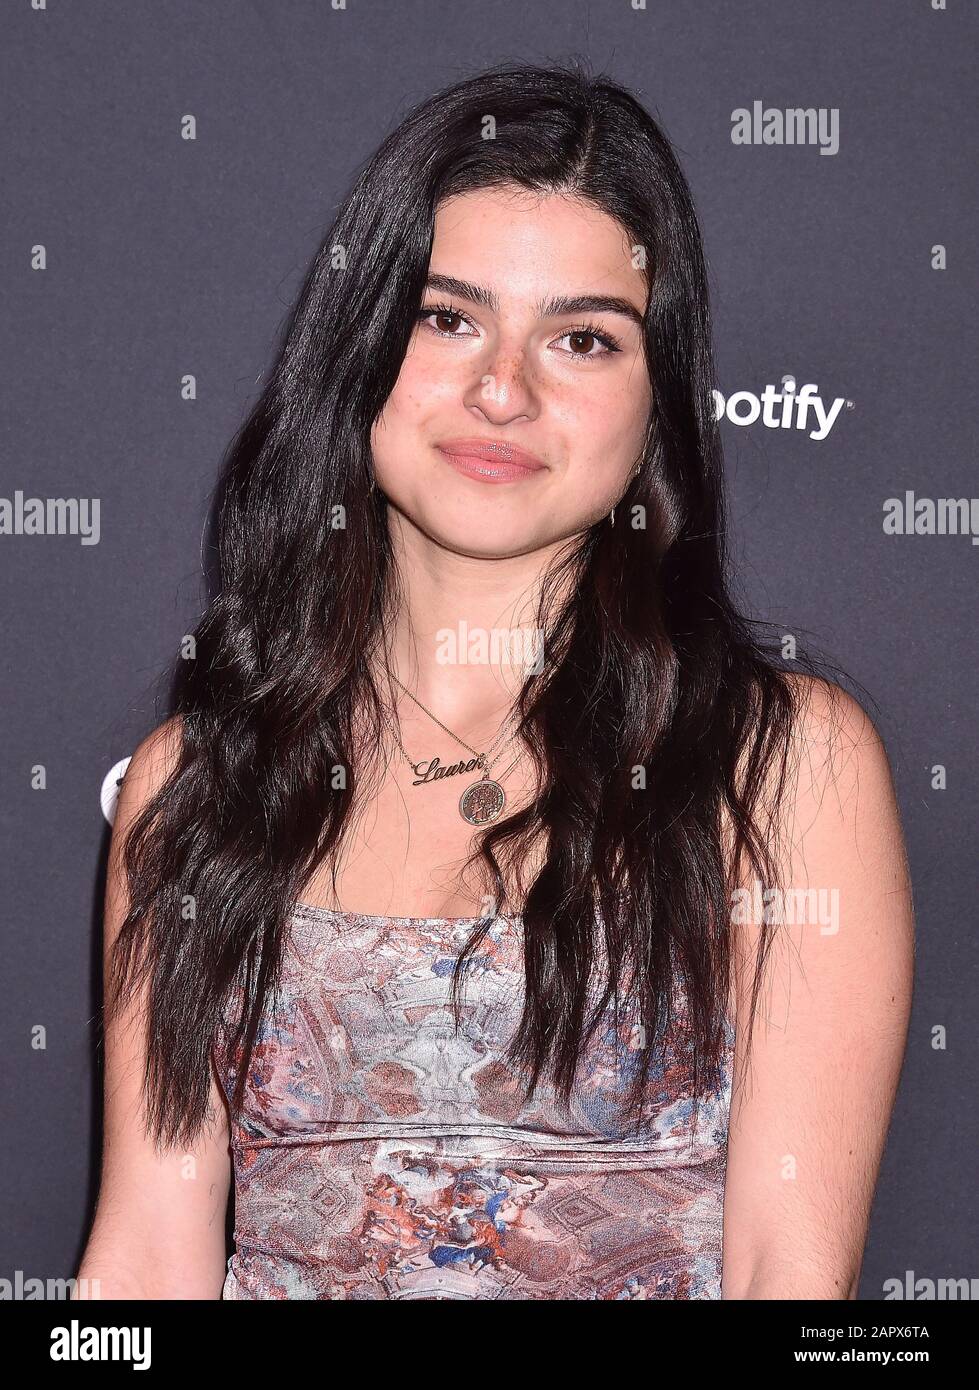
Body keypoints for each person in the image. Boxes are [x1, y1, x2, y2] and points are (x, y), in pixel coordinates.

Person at [75, 61, 914, 1301]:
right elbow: (144, 1263)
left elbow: (787, 1280)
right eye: (446, 317)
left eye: (582, 338)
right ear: (355, 353)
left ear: (654, 410)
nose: (502, 389)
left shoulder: (783, 764)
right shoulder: (194, 780)